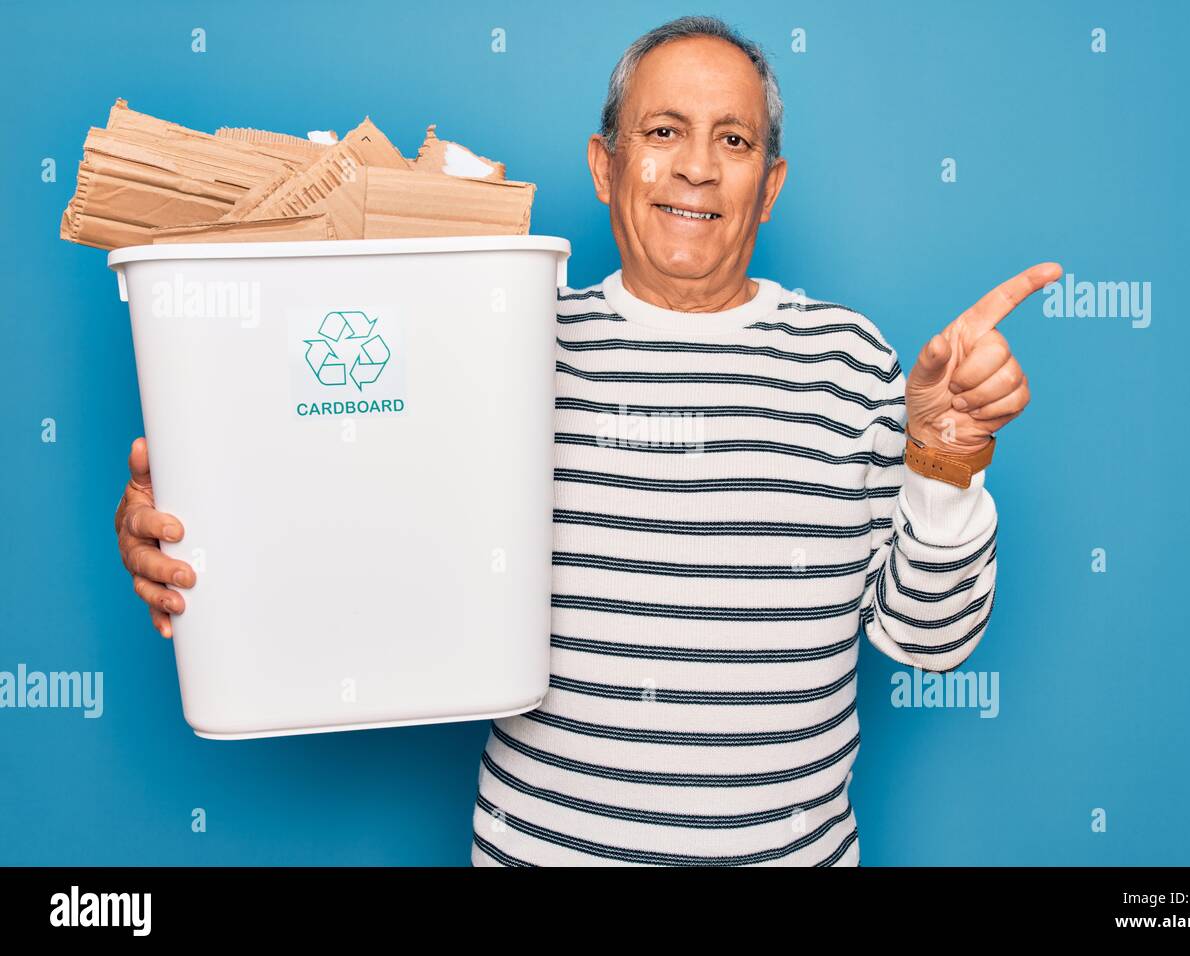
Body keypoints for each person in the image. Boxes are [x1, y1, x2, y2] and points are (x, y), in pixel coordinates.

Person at [114, 15, 1057, 866]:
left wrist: (945, 462)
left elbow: (930, 639)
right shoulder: (504, 345)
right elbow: (352, 519)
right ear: (606, 166)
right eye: (664, 132)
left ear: (769, 186)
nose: (697, 168)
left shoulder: (849, 360)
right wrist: (189, 527)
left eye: (733, 140)